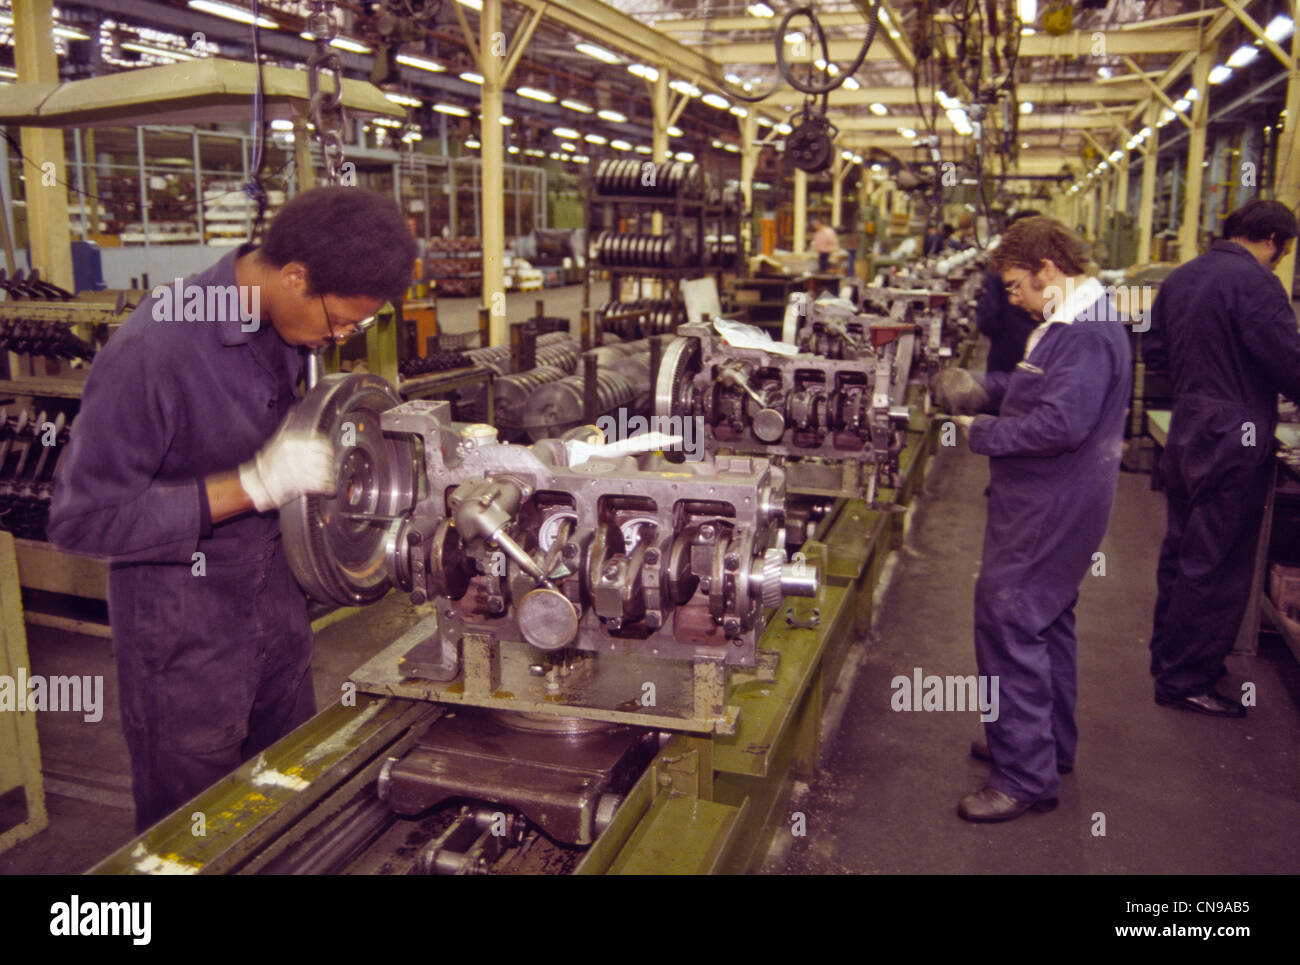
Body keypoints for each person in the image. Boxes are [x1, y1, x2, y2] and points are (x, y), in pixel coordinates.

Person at [47, 186, 417, 830]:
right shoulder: (154, 351)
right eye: (341, 321)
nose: (341, 338)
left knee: (281, 817)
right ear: (295, 276)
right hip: (186, 651)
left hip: (279, 629)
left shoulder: (291, 333)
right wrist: (249, 487)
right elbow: (81, 519)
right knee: (193, 837)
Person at [935, 216, 1132, 822]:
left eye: (1019, 284)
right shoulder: (1068, 323)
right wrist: (982, 387)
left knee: (1010, 621)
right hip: (1057, 500)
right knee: (1047, 622)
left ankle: (1022, 777)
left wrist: (980, 430)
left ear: (1050, 269)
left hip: (1050, 506)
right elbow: (1039, 391)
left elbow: (1059, 425)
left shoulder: (1087, 334)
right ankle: (1044, 745)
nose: (1014, 298)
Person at [1143, 199, 1300, 717]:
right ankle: (1187, 679)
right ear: (1275, 242)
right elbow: (1288, 362)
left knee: (1182, 551)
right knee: (1217, 560)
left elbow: (1156, 354)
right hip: (1236, 434)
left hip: (1189, 427)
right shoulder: (1257, 283)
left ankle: (1169, 657)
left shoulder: (1182, 277)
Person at [975, 209, 1041, 372]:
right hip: (1041, 358)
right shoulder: (1048, 268)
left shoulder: (1000, 269)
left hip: (1006, 358)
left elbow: (987, 321)